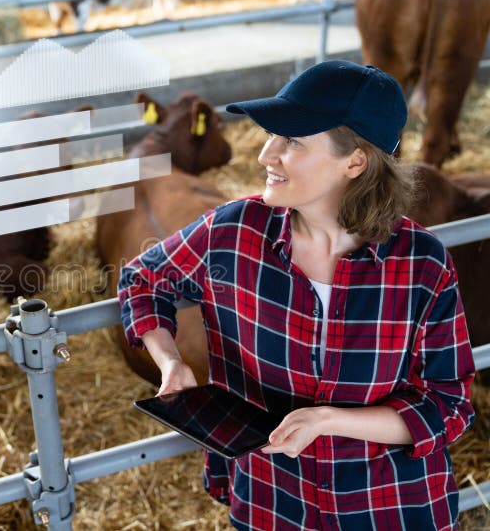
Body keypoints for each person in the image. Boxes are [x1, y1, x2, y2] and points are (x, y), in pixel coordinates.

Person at [118, 60, 475, 530]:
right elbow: (142, 280)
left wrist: (328, 421)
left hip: (391, 508)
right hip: (273, 504)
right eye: (271, 136)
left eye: (291, 141)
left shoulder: (421, 263)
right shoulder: (233, 231)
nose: (266, 154)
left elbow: (447, 403)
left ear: (355, 161)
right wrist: (170, 361)